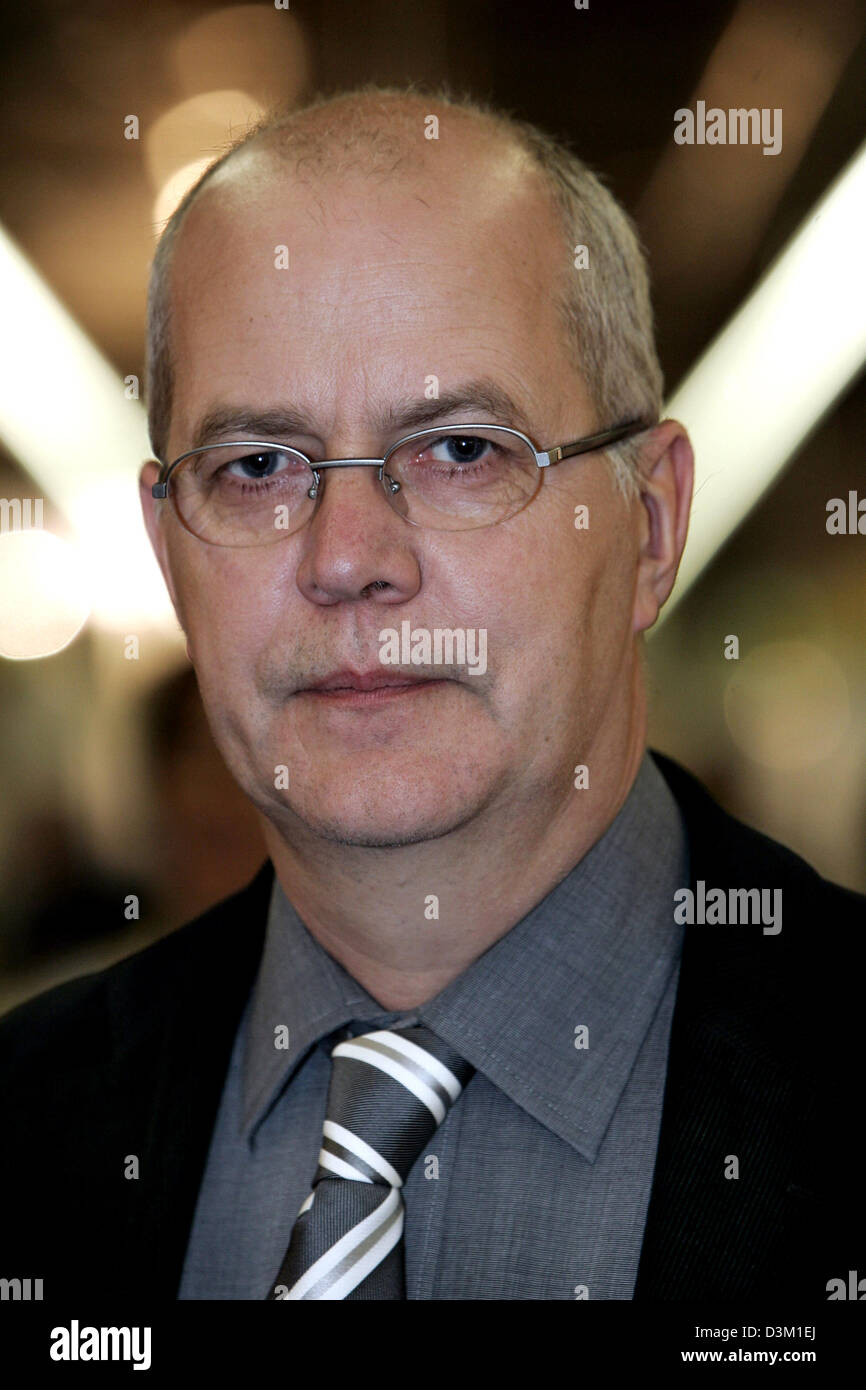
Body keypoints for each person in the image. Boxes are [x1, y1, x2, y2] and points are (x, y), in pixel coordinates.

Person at [2, 85, 862, 1304]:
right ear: (168, 550)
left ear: (651, 525)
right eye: (256, 467)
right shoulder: (31, 1123)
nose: (347, 557)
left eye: (461, 448)